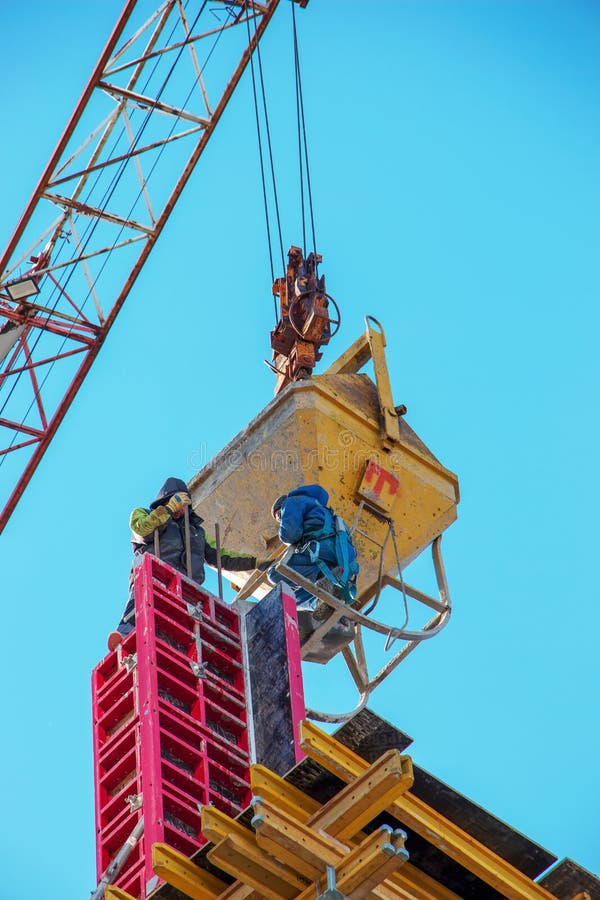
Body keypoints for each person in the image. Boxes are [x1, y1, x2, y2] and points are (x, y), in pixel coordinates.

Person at [108, 477, 261, 649]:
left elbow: (221, 557)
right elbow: (143, 530)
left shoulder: (195, 531)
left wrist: (254, 562)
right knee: (143, 600)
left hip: (186, 586)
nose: (181, 508)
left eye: (185, 503)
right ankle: (125, 634)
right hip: (156, 573)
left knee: (182, 626)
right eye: (177, 501)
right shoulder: (145, 514)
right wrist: (166, 511)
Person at [267, 483, 359, 612]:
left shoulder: (291, 502)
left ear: (280, 508)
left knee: (274, 573)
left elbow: (290, 534)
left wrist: (285, 535)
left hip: (321, 550)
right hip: (344, 557)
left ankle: (319, 599)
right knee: (299, 596)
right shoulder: (323, 509)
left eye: (279, 517)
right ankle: (325, 601)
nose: (281, 521)